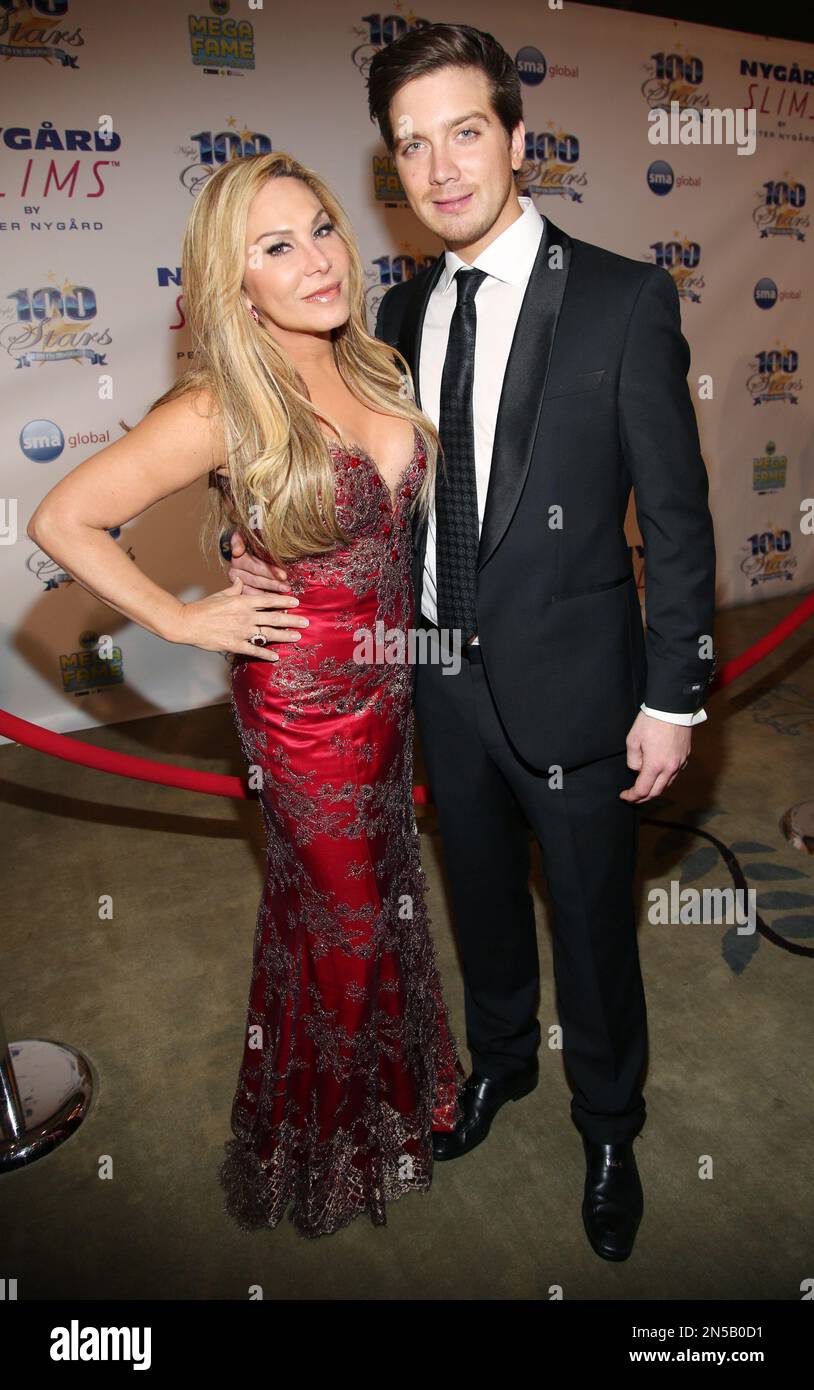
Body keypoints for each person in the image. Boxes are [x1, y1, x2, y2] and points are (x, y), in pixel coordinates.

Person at [226, 24, 718, 1260]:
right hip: (433, 676)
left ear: (512, 136)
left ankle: (610, 1120)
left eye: (463, 132)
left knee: (596, 924)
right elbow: (328, 467)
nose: (440, 168)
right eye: (410, 146)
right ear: (390, 167)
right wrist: (247, 554)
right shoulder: (390, 308)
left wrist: (676, 696)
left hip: (580, 689)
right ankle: (501, 1063)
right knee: (484, 901)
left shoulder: (620, 297)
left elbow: (676, 514)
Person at [26, 150, 467, 1240]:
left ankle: (403, 1099)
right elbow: (62, 517)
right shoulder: (218, 403)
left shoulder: (372, 365)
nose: (318, 260)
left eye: (320, 228)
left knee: (372, 905)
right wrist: (181, 615)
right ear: (234, 282)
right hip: (305, 705)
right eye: (277, 246)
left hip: (389, 687)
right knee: (350, 926)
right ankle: (322, 1140)